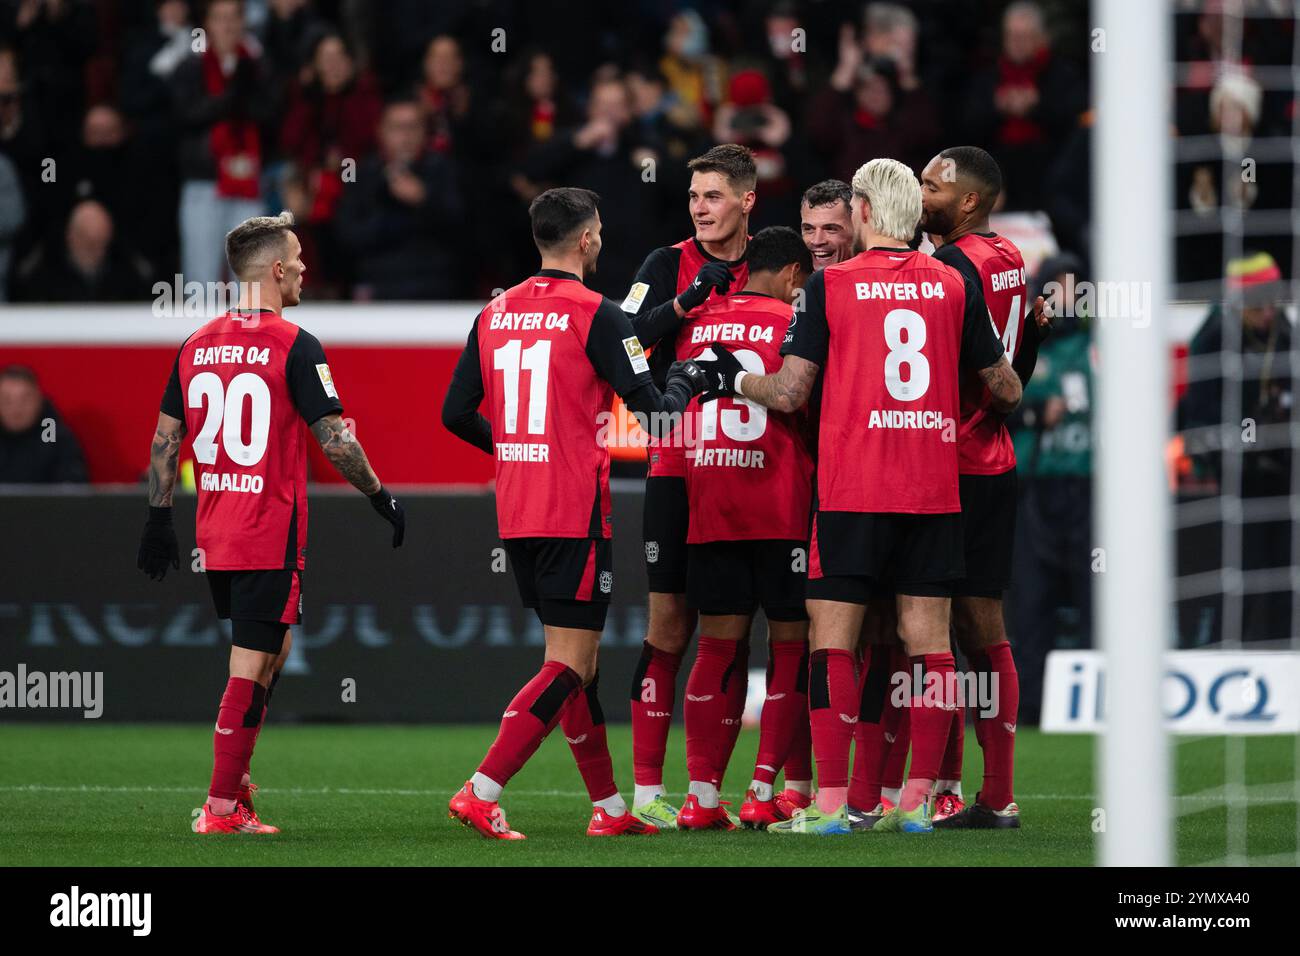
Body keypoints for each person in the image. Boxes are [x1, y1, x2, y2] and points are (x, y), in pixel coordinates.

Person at [695, 157, 1021, 834]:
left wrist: (733, 379)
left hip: (853, 490)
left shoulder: (830, 287)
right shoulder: (951, 281)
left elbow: (790, 391)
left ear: (865, 213)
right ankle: (916, 804)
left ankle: (836, 805)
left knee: (833, 644)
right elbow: (1008, 387)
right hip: (934, 490)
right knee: (930, 645)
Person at [440, 187, 709, 839]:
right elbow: (654, 415)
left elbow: (454, 413)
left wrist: (513, 449)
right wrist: (691, 380)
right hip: (572, 510)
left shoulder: (495, 311)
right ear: (587, 239)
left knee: (576, 664)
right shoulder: (600, 315)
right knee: (567, 665)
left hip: (519, 511)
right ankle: (482, 789)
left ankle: (610, 809)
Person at [137, 211, 405, 835]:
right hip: (267, 531)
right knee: (251, 665)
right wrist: (380, 494)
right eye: (300, 259)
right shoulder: (295, 343)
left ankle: (235, 787)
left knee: (272, 650)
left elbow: (164, 439)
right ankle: (221, 808)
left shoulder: (196, 342)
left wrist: (158, 518)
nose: (307, 270)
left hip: (216, 531)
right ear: (277, 269)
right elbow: (335, 439)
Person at [617, 143, 754, 830]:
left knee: (735, 630)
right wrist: (684, 303)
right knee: (668, 624)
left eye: (714, 196)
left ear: (747, 199)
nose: (700, 208)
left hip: (754, 471)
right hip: (676, 461)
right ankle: (647, 793)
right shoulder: (665, 264)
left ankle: (712, 793)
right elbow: (626, 338)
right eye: (695, 196)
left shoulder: (776, 264)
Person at [666, 226, 815, 831]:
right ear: (792, 276)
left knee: (717, 649)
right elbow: (804, 401)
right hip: (780, 506)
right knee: (790, 647)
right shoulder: (795, 322)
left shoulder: (702, 323)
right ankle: (759, 791)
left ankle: (701, 798)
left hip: (712, 502)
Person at [918, 145, 1048, 829]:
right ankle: (994, 795)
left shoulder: (943, 270)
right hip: (991, 460)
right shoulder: (1009, 259)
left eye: (931, 185)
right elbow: (1015, 372)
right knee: (979, 630)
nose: (919, 192)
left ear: (967, 201)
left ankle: (942, 789)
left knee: (928, 630)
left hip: (946, 467)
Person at [171, 0, 273, 285]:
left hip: (249, 182)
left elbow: (269, 115)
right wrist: (230, 99)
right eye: (220, 18)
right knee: (201, 278)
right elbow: (184, 116)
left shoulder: (259, 68)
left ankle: (248, 332)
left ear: (243, 23)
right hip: (204, 181)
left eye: (233, 18)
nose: (227, 25)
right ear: (207, 25)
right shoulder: (190, 68)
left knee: (250, 277)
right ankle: (203, 331)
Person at [334, 99, 464, 299]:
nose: (406, 135)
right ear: (381, 131)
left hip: (435, 287)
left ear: (425, 131)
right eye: (397, 127)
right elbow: (348, 235)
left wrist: (424, 199)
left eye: (413, 126)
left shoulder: (444, 169)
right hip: (377, 285)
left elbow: (464, 230)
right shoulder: (361, 173)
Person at [0, 364, 88, 483]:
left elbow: (72, 489)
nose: (16, 408)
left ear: (38, 399)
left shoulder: (55, 437)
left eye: (25, 399)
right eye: (7, 400)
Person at [800, 179, 855, 270]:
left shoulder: (877, 279)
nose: (817, 241)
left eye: (830, 229)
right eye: (809, 229)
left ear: (856, 229)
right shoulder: (788, 281)